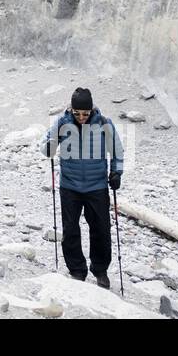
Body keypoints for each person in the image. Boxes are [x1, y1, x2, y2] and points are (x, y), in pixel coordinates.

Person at [37, 87, 124, 288]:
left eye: (85, 113)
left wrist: (117, 172)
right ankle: (77, 270)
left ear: (91, 109)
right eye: (78, 113)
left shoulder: (104, 124)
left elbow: (117, 151)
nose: (82, 117)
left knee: (101, 229)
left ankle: (100, 270)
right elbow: (45, 148)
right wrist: (51, 143)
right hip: (70, 186)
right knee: (70, 230)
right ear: (72, 109)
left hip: (97, 185)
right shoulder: (61, 122)